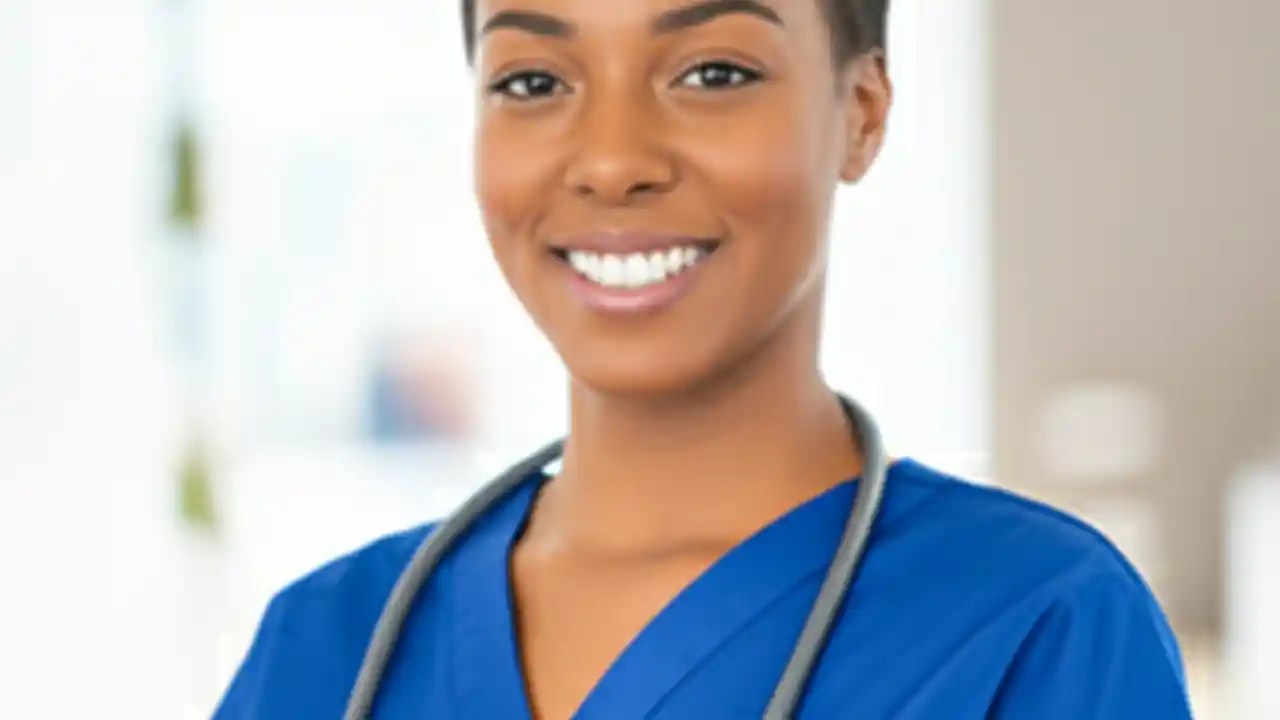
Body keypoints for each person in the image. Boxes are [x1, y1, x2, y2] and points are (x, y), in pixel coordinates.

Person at [214, 0, 1194, 717]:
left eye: (712, 73)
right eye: (532, 81)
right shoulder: (329, 649)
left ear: (860, 112)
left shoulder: (1032, 627)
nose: (610, 159)